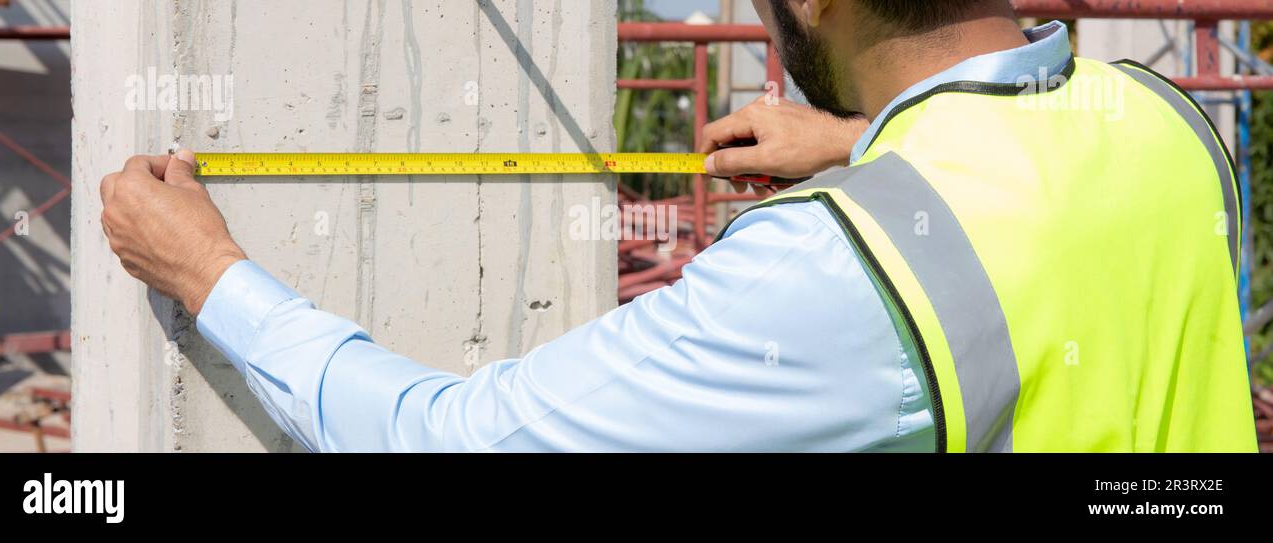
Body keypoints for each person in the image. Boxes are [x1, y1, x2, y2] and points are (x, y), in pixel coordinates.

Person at [98, 0, 1257, 452]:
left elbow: (449, 440)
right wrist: (869, 138)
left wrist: (212, 275)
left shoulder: (824, 272)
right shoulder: (1164, 121)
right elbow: (1031, 174)